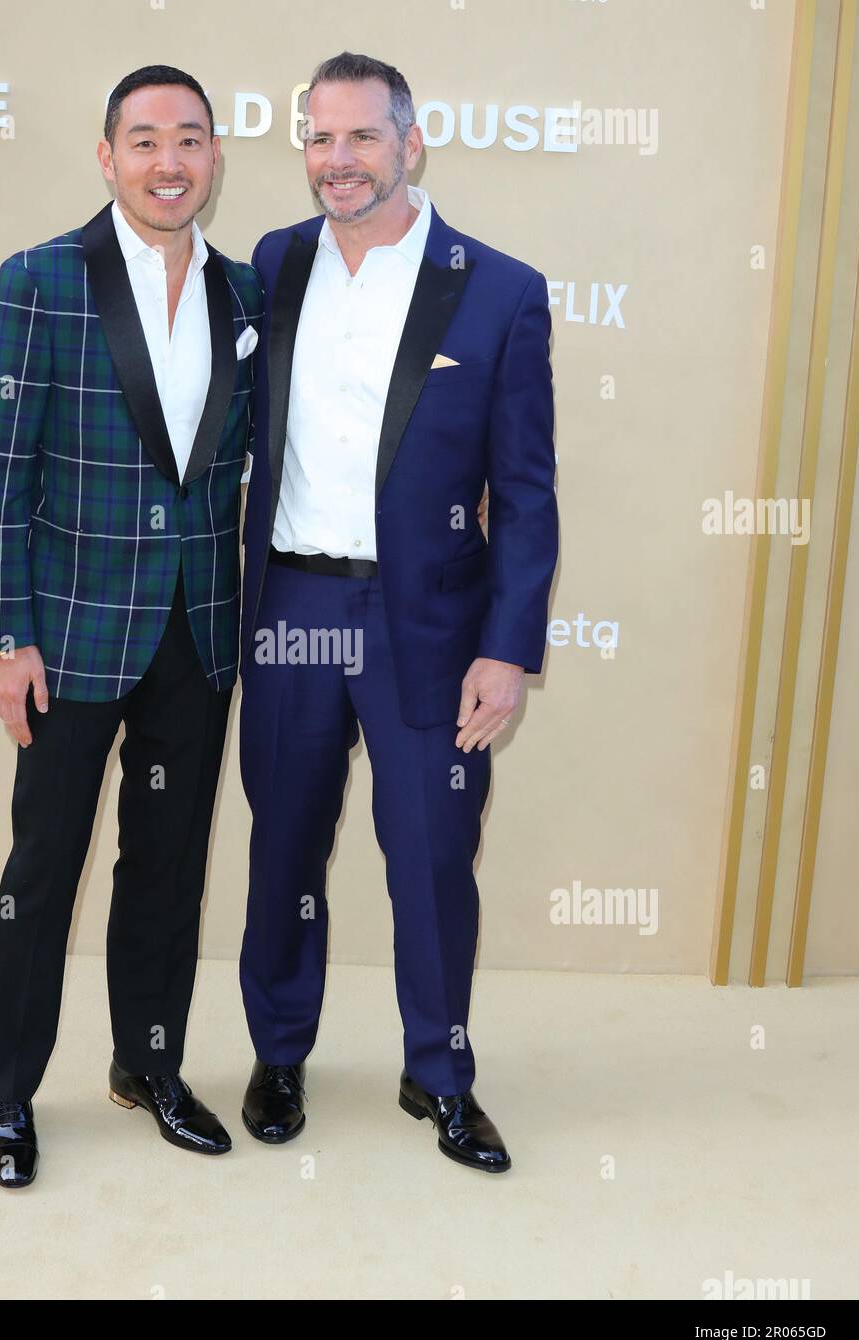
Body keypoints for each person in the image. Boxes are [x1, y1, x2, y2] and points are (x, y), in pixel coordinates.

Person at [237, 51, 558, 1173]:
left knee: (429, 859)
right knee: (282, 849)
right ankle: (278, 1055)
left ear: (409, 143)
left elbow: (524, 492)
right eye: (319, 139)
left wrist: (507, 648)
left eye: (360, 137)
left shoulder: (501, 289)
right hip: (288, 601)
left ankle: (441, 1075)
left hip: (425, 616)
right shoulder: (272, 266)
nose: (338, 160)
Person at [0, 65, 261, 1188]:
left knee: (169, 867)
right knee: (43, 868)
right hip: (70, 633)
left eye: (189, 140)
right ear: (106, 157)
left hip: (196, 628)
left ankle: (149, 1066)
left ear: (214, 158)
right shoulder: (40, 280)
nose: (168, 161)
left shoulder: (243, 296)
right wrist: (4, 636)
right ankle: (3, 1092)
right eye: (144, 140)